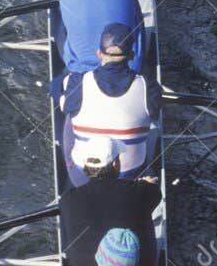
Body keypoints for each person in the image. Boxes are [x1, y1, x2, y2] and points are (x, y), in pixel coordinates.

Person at [61, 23, 160, 186]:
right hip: (131, 173)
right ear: (132, 55)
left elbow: (57, 93)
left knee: (68, 112)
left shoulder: (77, 81)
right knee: (148, 117)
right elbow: (155, 114)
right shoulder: (149, 86)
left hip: (83, 175)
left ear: (99, 53)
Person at [58, 156, 162, 266]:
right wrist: (146, 185)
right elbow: (155, 194)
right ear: (115, 164)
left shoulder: (67, 199)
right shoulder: (140, 191)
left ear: (85, 166)